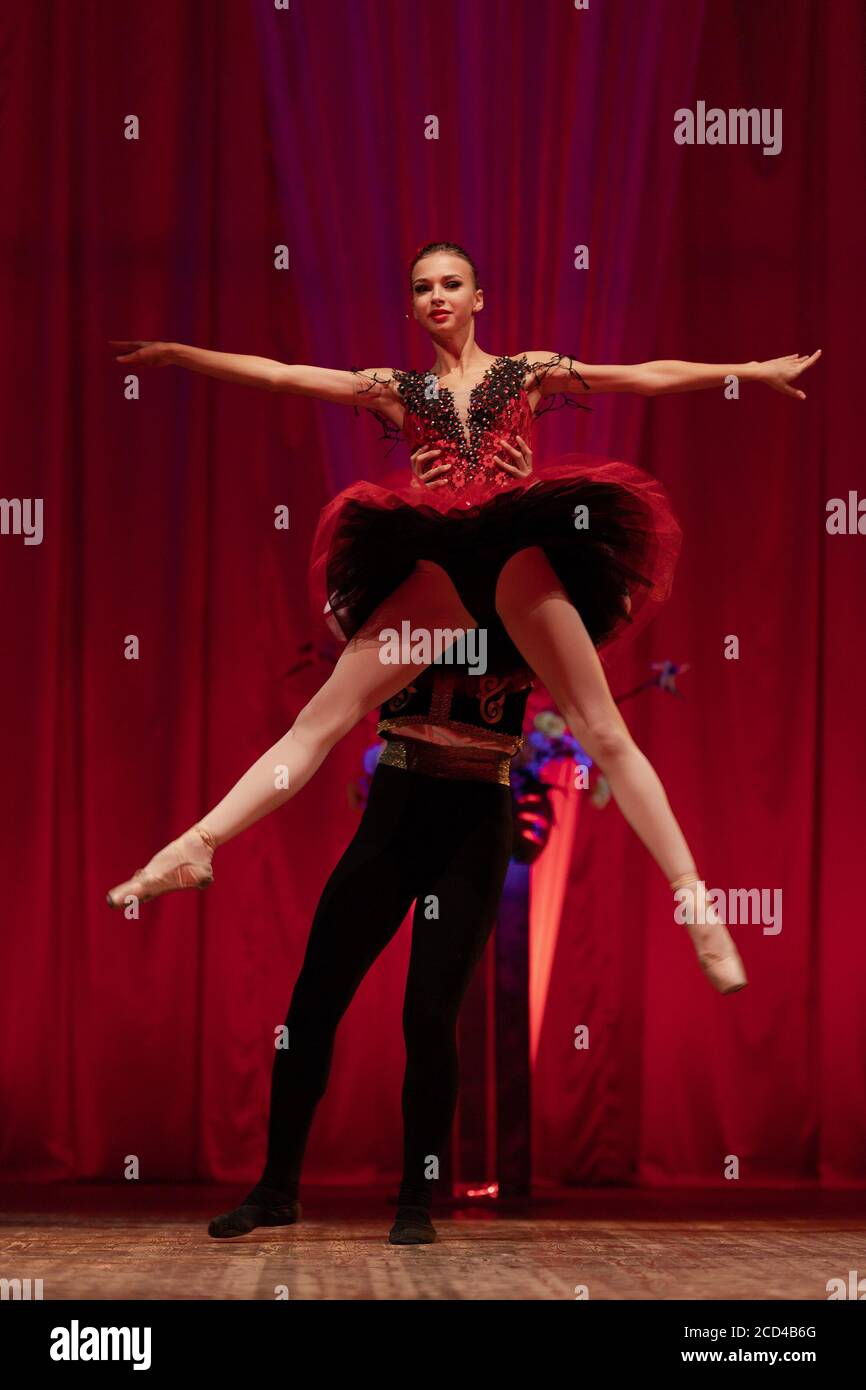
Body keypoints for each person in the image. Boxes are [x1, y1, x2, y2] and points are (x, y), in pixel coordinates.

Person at [105, 241, 821, 980]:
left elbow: (640, 377)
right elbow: (286, 376)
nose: (437, 296)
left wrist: (751, 371)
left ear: (480, 298)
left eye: (452, 284)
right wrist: (181, 353)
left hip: (515, 552)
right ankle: (194, 846)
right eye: (422, 288)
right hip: (437, 570)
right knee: (319, 720)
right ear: (411, 306)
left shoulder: (525, 372)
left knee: (603, 728)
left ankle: (696, 907)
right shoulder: (398, 388)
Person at [207, 656, 536, 1245]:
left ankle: (416, 1201)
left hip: (477, 818)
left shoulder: (521, 593)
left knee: (430, 1017)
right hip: (398, 803)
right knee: (313, 1000)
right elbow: (343, 637)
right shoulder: (403, 589)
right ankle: (277, 1188)